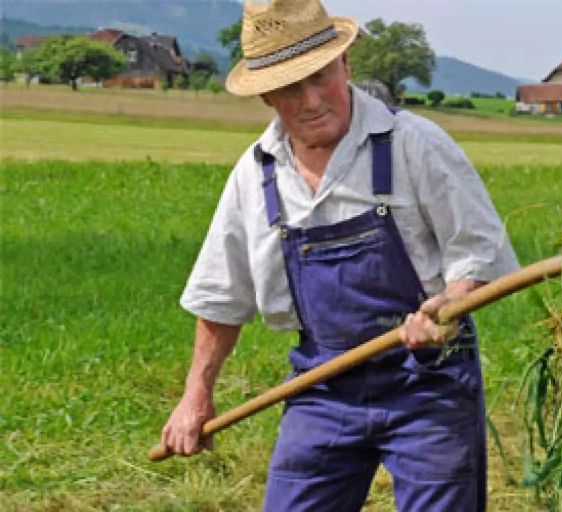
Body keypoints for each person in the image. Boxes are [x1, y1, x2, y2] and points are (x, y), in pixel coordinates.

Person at [158, 0, 519, 510]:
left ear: (345, 65)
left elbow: (480, 253)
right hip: (323, 386)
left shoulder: (411, 144)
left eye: (321, 77)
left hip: (428, 383)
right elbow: (222, 295)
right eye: (289, 88)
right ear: (266, 96)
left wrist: (449, 306)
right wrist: (196, 396)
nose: (311, 101)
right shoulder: (257, 173)